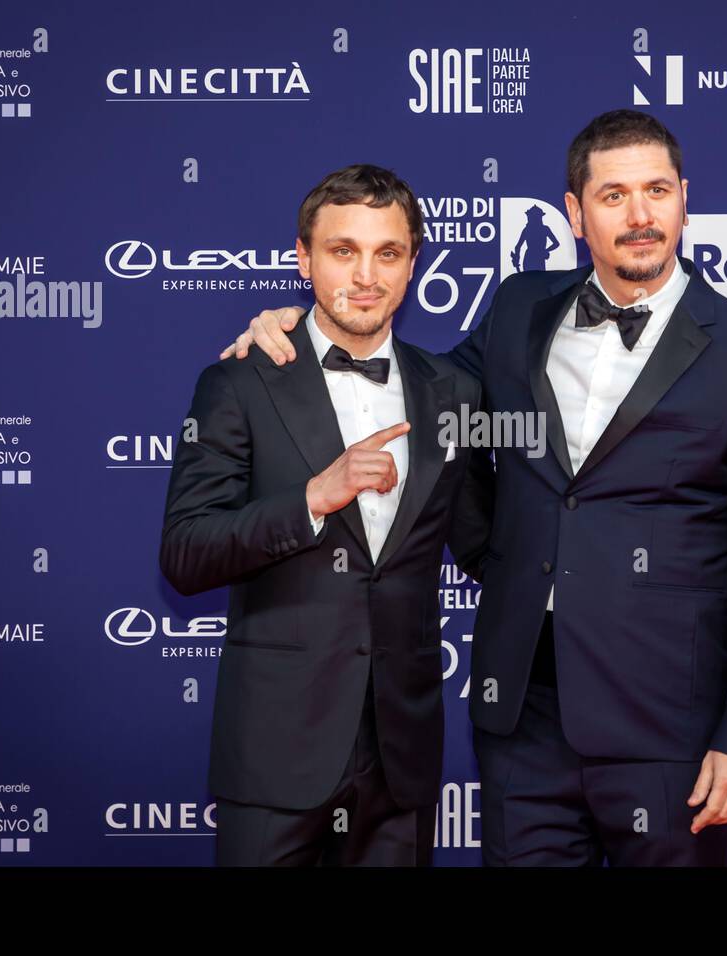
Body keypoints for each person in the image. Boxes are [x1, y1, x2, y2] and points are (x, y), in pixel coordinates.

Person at [221, 110, 727, 866]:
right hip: (521, 720)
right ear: (574, 213)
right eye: (614, 196)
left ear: (684, 199)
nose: (640, 216)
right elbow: (420, 388)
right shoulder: (517, 309)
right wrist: (302, 331)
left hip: (672, 733)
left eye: (657, 191)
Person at [160, 164, 492, 866]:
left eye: (388, 253)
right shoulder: (240, 381)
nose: (366, 274)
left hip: (401, 762)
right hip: (276, 756)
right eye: (343, 251)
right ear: (304, 259)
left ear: (412, 266)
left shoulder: (456, 390)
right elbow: (186, 553)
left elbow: (487, 546)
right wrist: (313, 498)